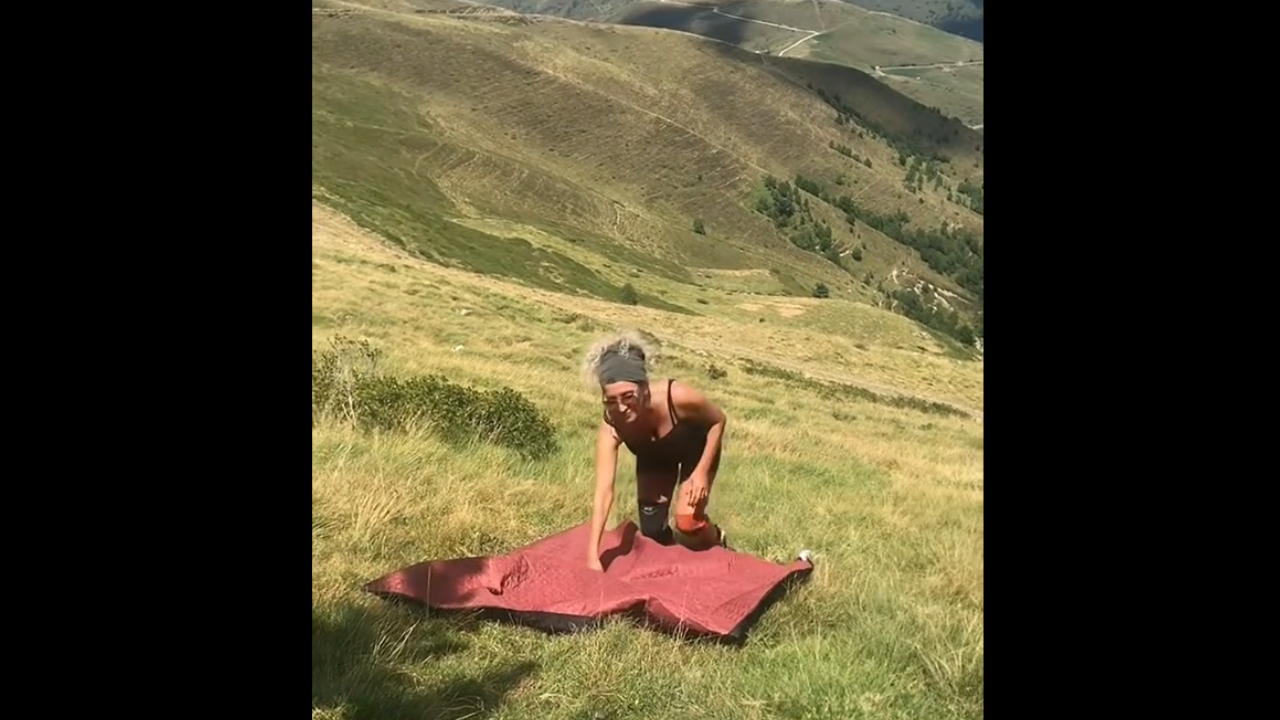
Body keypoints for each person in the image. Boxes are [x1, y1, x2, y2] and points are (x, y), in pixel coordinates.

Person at [582, 331, 728, 571]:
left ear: (644, 388)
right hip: (654, 458)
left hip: (695, 449)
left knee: (688, 522)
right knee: (652, 531)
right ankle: (673, 568)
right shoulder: (611, 426)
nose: (621, 407)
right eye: (610, 400)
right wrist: (592, 556)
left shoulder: (677, 396)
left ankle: (718, 543)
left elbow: (717, 421)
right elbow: (603, 491)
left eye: (628, 396)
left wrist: (701, 472)